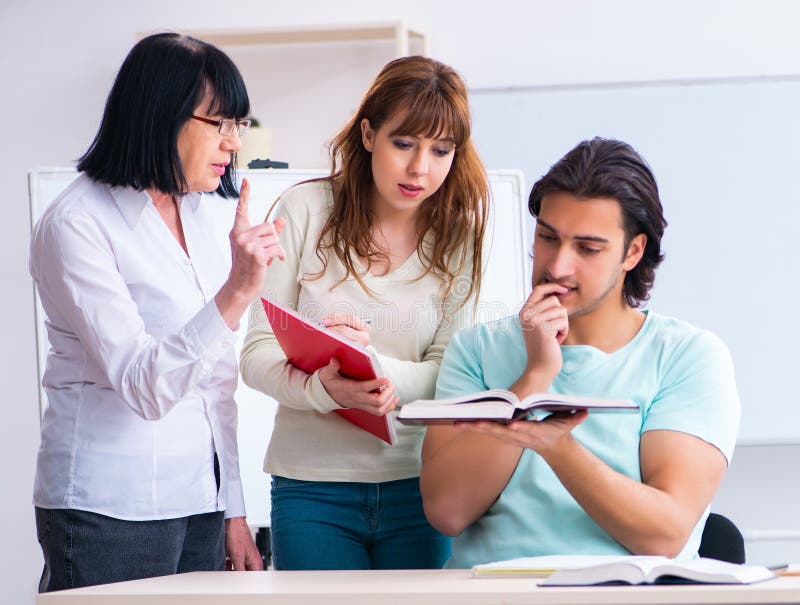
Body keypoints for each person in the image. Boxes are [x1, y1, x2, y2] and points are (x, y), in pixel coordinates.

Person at [30, 33, 286, 591]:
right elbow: (143, 385)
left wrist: (233, 507)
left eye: (240, 124)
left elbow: (217, 383)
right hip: (107, 506)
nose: (234, 143)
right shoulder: (76, 224)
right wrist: (236, 291)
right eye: (219, 124)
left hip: (198, 498)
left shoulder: (208, 213)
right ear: (160, 116)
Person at [420, 138, 741, 568]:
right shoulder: (477, 349)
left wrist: (557, 446)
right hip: (494, 596)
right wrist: (533, 378)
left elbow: (663, 533)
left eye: (587, 249)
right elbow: (447, 510)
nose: (557, 266)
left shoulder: (687, 356)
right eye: (548, 237)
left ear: (633, 252)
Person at [240, 56, 489, 570]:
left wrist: (381, 370)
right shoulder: (304, 211)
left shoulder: (459, 237)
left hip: (419, 487)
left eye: (441, 151)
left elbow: (454, 370)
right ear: (370, 134)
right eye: (405, 144)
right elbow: (258, 353)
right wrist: (323, 389)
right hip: (312, 490)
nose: (421, 169)